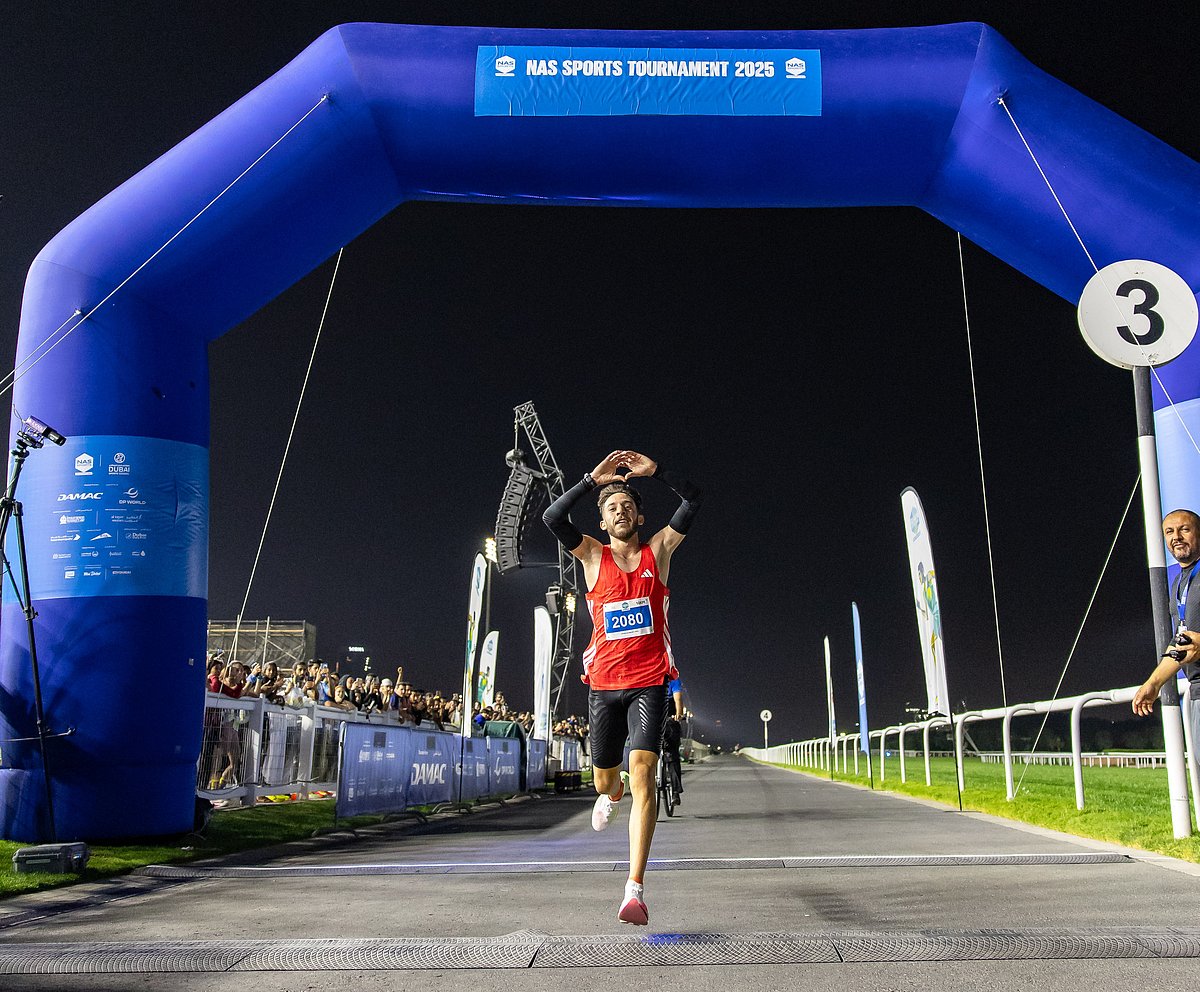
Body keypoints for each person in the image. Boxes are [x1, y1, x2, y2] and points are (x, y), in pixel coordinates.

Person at [543, 449, 700, 925]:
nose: (620, 511)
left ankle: (634, 888)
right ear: (603, 521)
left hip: (649, 683)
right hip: (604, 688)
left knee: (645, 776)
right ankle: (609, 796)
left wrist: (658, 471)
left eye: (628, 505)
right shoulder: (591, 555)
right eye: (611, 507)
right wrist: (593, 480)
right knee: (607, 780)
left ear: (639, 515)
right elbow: (553, 516)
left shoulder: (659, 551)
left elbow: (694, 499)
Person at [1134, 510, 1200, 745]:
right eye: (1169, 532)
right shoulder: (1179, 582)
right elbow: (1180, 642)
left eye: (1184, 529)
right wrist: (1153, 683)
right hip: (1197, 691)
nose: (1177, 537)